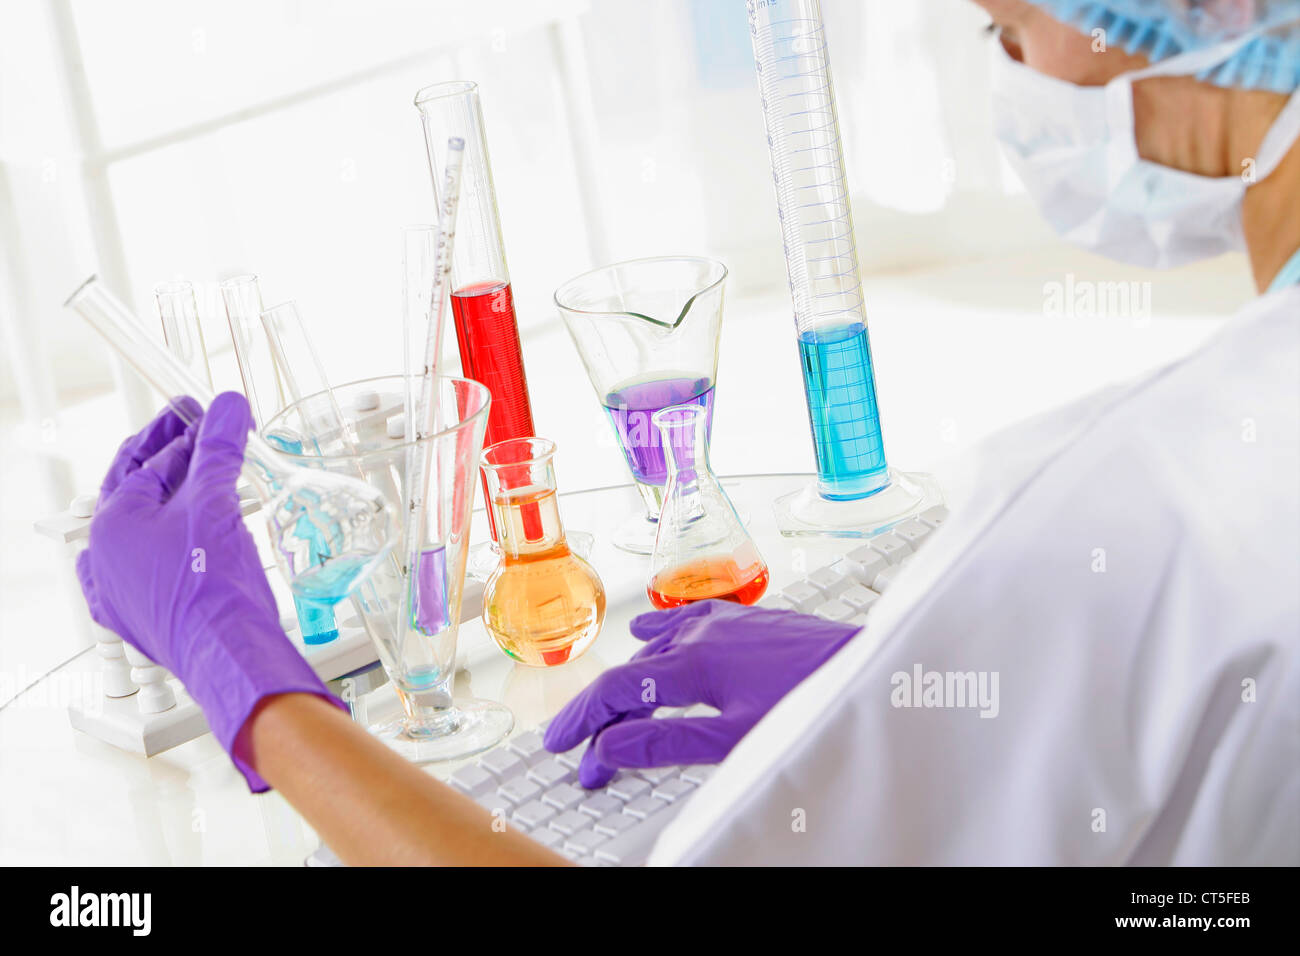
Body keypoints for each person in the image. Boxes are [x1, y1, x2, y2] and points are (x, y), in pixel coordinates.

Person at [76, 0, 1299, 866]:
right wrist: (929, 691)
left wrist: (245, 675)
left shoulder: (1155, 493)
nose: (1012, 82)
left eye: (1007, 31)